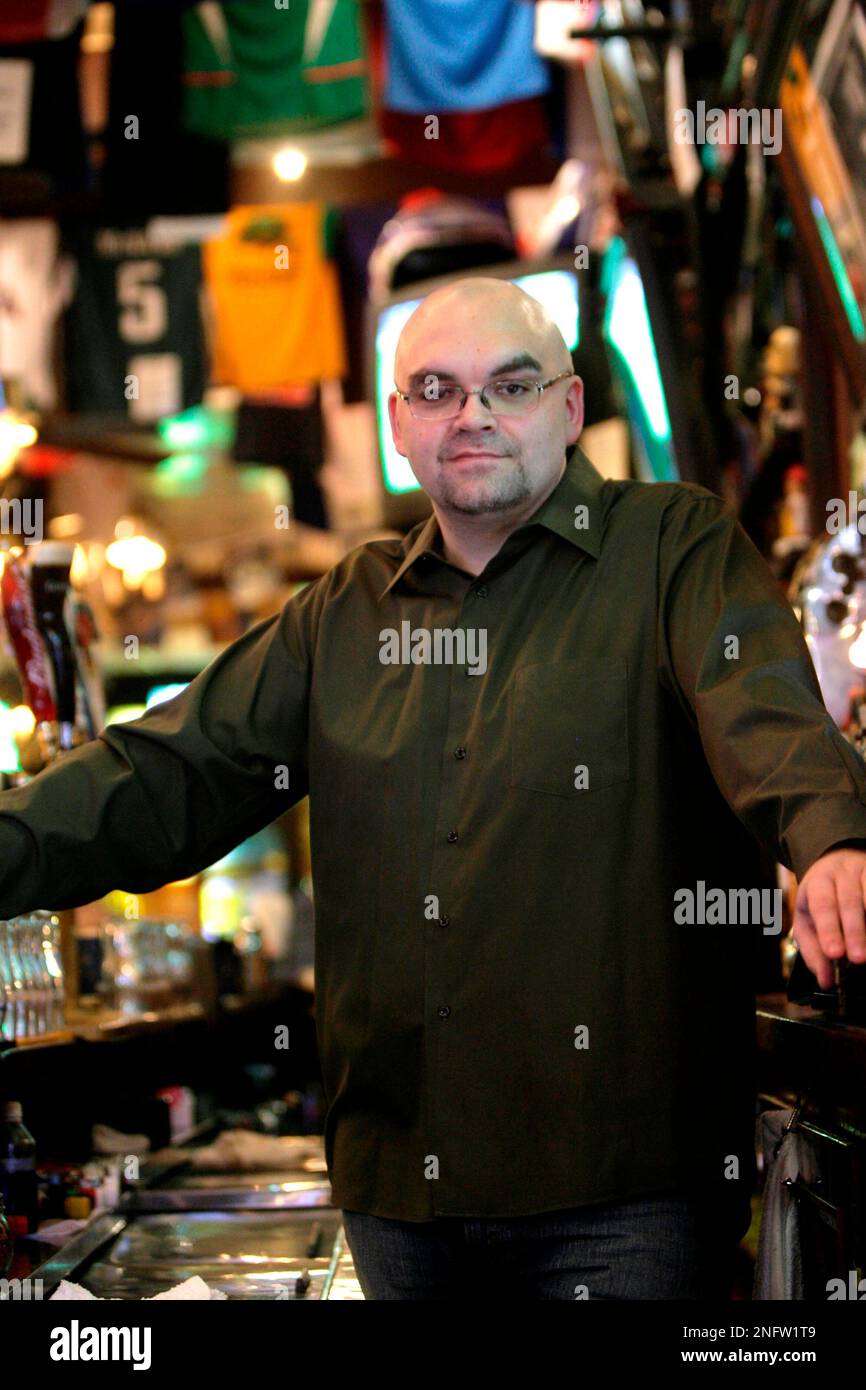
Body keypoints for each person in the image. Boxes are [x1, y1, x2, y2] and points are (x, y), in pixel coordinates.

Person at [2, 277, 866, 1300]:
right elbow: (170, 771)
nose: (474, 416)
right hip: (399, 1193)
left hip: (622, 1192)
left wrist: (828, 835)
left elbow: (759, 707)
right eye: (436, 389)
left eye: (509, 385)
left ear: (568, 406)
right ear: (397, 424)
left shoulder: (671, 546)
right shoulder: (343, 612)